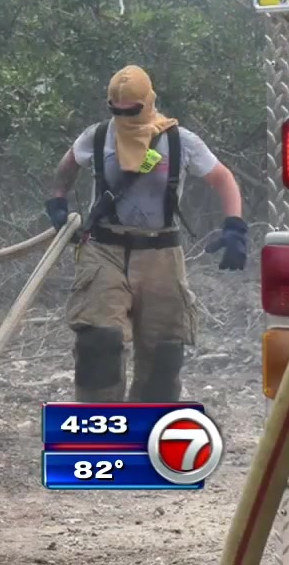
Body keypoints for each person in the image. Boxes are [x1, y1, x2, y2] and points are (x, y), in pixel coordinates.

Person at [45, 64, 247, 404]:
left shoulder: (179, 141)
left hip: (161, 254)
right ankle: (103, 437)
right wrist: (57, 201)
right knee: (99, 344)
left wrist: (235, 227)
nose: (124, 116)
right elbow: (66, 169)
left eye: (132, 110)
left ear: (148, 101)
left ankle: (148, 440)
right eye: (116, 110)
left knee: (163, 355)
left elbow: (223, 179)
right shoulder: (96, 137)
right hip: (104, 250)